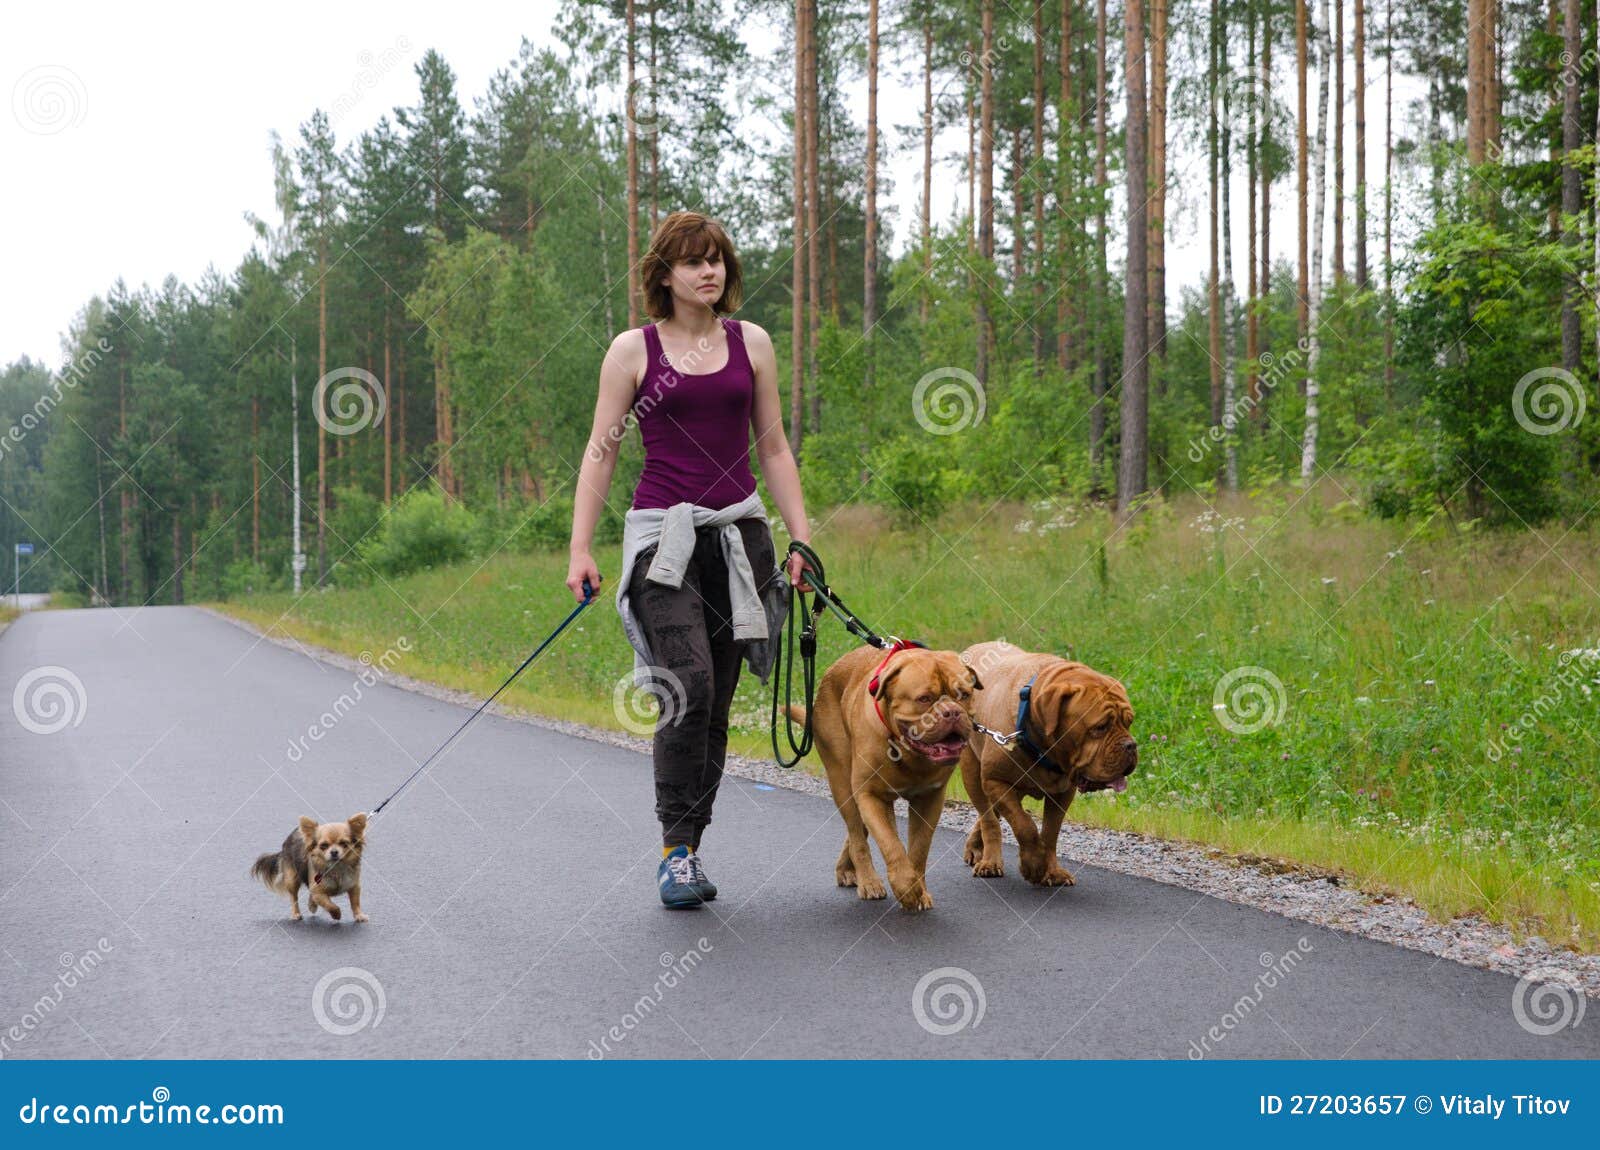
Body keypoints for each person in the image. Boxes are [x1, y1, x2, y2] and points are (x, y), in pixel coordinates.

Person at [567, 210, 816, 909]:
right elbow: (602, 449)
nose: (711, 271)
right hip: (662, 545)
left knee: (717, 702)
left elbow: (773, 449)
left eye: (718, 260)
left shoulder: (753, 343)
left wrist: (799, 538)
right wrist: (581, 547)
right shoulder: (632, 350)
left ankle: (691, 847)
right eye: (694, 261)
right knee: (688, 686)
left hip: (740, 539)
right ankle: (674, 852)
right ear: (665, 274)